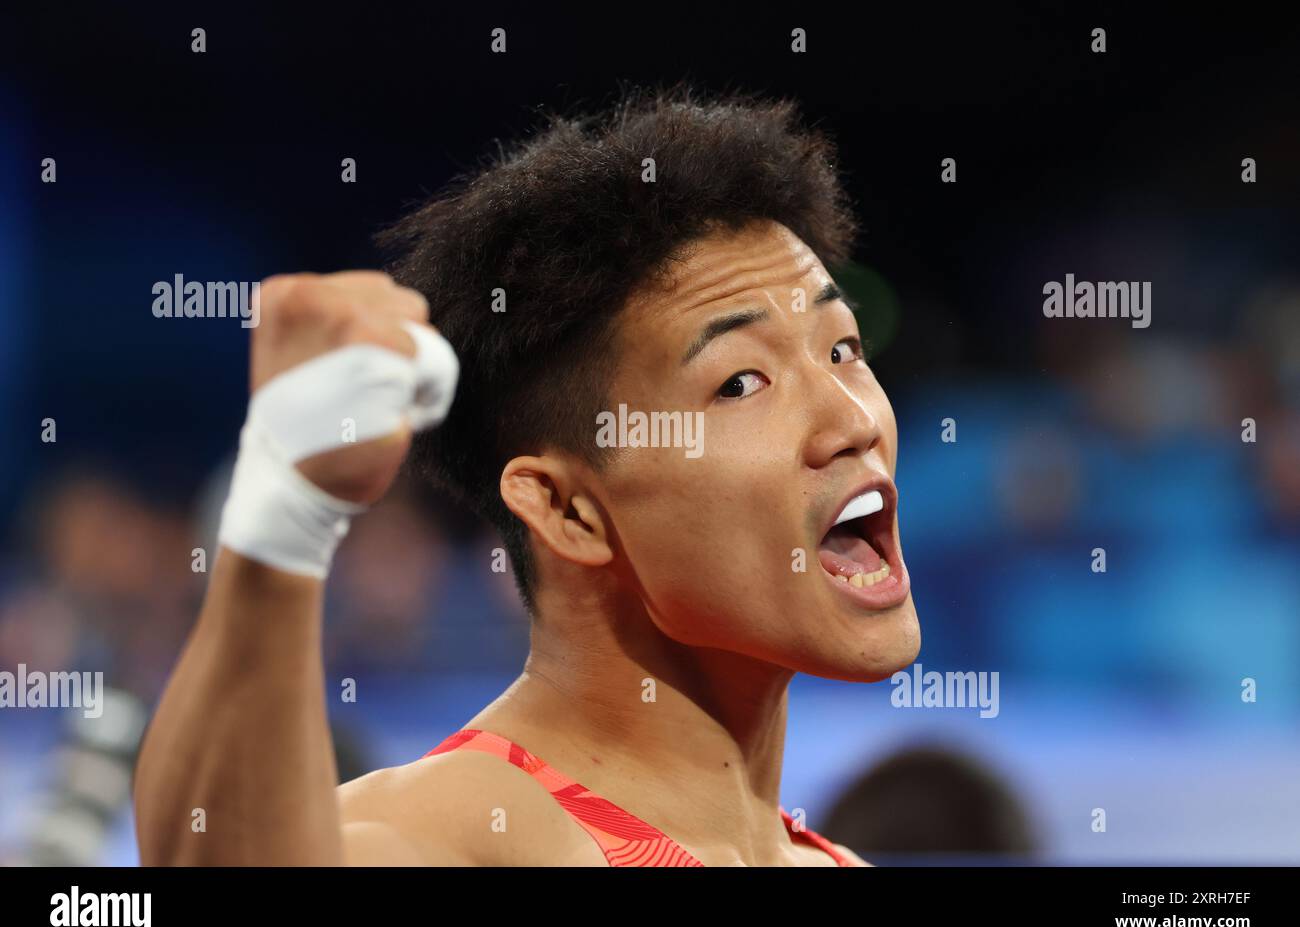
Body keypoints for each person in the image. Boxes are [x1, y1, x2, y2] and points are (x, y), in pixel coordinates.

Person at [133, 85, 921, 867]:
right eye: (740, 383)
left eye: (842, 349)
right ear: (565, 508)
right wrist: (285, 507)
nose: (853, 420)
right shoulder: (451, 839)